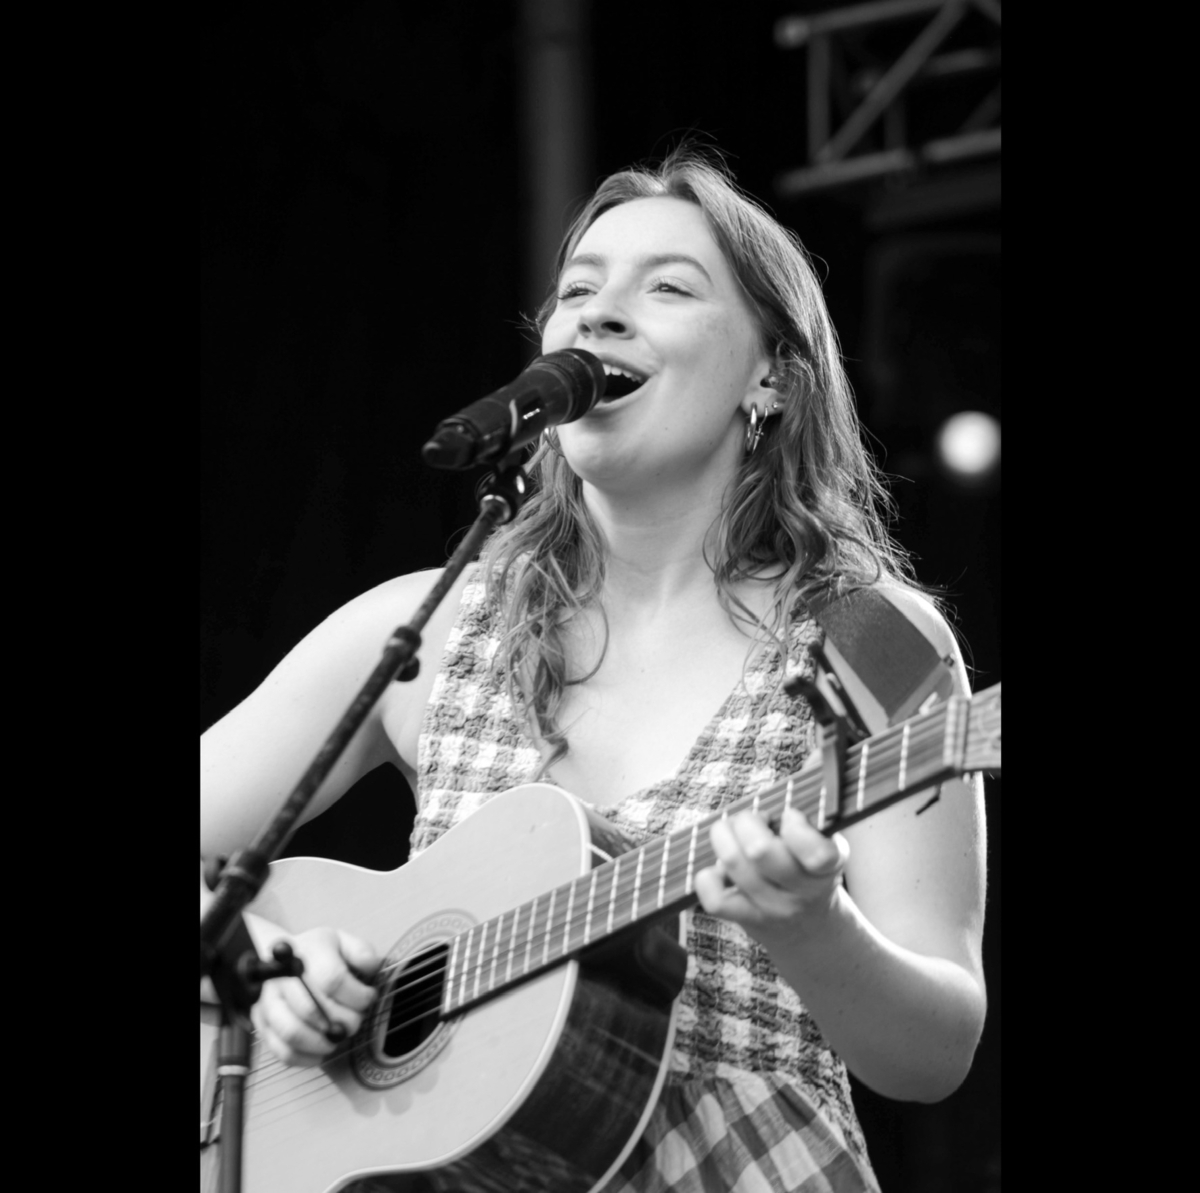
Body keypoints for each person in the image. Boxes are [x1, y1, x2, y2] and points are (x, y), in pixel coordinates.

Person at [201, 149, 988, 1192]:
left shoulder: (872, 639)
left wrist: (813, 924)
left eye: (668, 287)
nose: (600, 314)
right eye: (577, 290)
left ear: (773, 375)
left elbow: (935, 1054)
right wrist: (257, 966)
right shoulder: (430, 629)